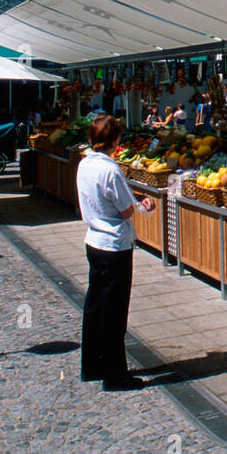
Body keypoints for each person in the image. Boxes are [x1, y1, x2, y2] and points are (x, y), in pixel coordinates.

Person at [76, 115, 155, 391]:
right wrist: (144, 204)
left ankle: (93, 365)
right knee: (114, 310)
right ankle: (114, 374)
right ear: (116, 141)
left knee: (95, 305)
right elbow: (125, 209)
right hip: (114, 245)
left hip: (93, 242)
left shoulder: (84, 164)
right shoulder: (111, 170)